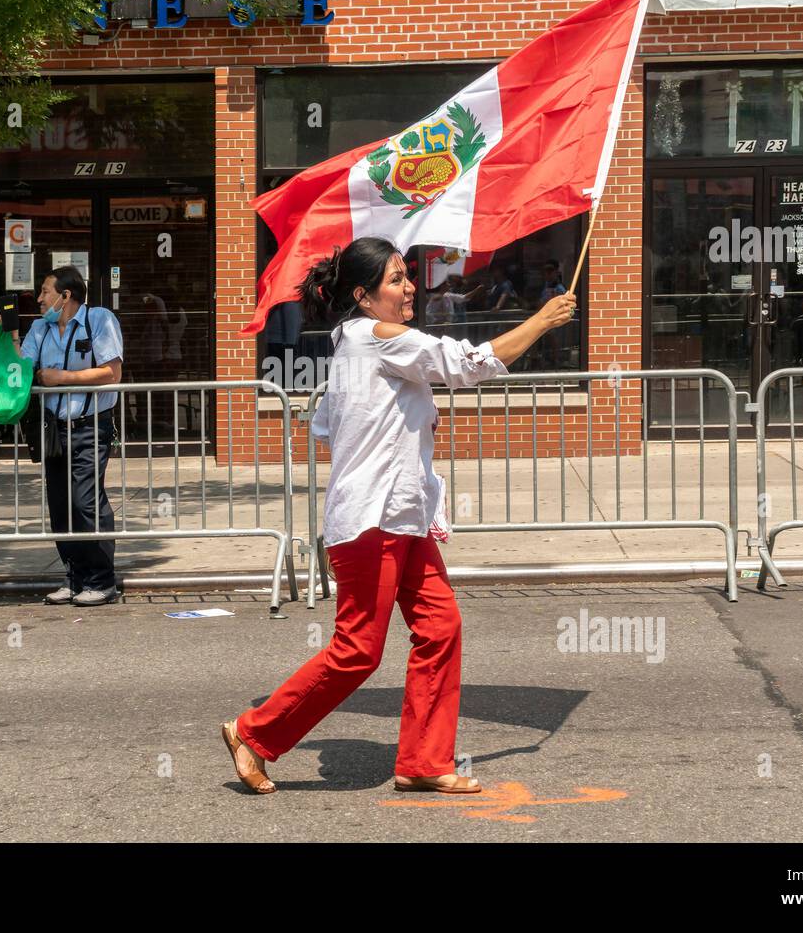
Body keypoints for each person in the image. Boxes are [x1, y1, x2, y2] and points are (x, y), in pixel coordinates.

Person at [221, 237, 576, 794]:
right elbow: (467, 364)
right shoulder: (380, 339)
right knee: (357, 649)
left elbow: (326, 428)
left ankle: (424, 761)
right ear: (363, 296)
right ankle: (253, 731)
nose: (410, 287)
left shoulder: (351, 346)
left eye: (406, 276)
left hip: (402, 514)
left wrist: (402, 423)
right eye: (395, 279)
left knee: (440, 627)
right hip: (372, 519)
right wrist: (542, 321)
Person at [10, 266, 124, 606]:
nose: (40, 298)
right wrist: (11, 337)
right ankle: (75, 578)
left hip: (90, 424)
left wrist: (62, 378)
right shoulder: (40, 329)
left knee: (85, 501)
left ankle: (102, 580)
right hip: (52, 428)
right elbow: (21, 369)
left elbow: (111, 373)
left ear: (66, 295)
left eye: (45, 291)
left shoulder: (99, 320)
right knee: (60, 504)